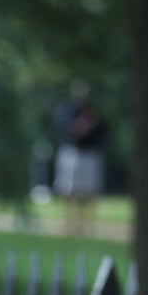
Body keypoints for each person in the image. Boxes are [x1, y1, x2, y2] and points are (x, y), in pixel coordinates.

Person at [52, 79, 106, 235]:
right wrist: (75, 127)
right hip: (71, 151)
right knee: (68, 189)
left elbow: (102, 130)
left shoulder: (92, 110)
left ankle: (86, 225)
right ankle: (69, 224)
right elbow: (59, 127)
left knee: (87, 191)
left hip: (89, 152)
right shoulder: (66, 110)